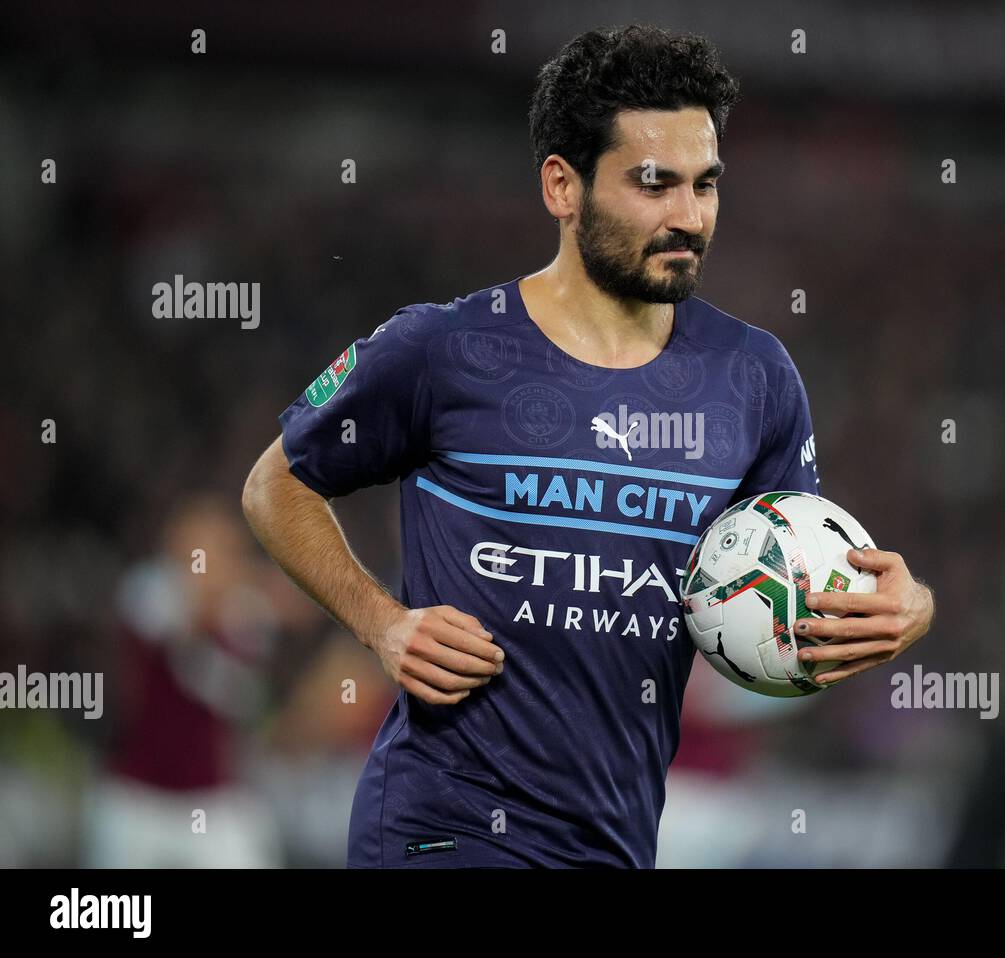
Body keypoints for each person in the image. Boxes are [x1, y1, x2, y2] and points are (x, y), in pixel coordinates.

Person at [241, 23, 934, 868]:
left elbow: (805, 592)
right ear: (562, 187)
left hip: (614, 842)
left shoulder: (753, 378)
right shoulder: (444, 351)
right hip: (439, 827)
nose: (689, 216)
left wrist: (905, 610)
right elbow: (276, 486)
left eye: (705, 185)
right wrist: (381, 624)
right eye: (654, 184)